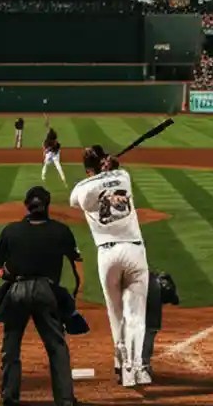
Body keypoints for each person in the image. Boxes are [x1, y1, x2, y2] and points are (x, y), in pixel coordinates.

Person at [0, 185, 82, 406]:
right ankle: (65, 400)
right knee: (56, 347)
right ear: (47, 206)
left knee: (11, 346)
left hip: (17, 291)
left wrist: (6, 274)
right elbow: (76, 263)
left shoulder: (11, 230)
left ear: (26, 206)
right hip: (47, 291)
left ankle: (10, 397)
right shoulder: (61, 231)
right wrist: (74, 294)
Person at [70, 145, 151, 387]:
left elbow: (76, 198)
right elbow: (116, 175)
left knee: (116, 315)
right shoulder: (123, 176)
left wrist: (98, 176)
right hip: (134, 251)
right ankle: (137, 370)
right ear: (106, 160)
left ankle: (121, 367)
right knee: (136, 315)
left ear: (87, 170)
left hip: (107, 255)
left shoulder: (82, 190)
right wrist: (110, 170)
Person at [140, 271, 180, 381]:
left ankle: (127, 366)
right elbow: (171, 295)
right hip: (149, 317)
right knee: (148, 335)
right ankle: (143, 367)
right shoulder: (156, 282)